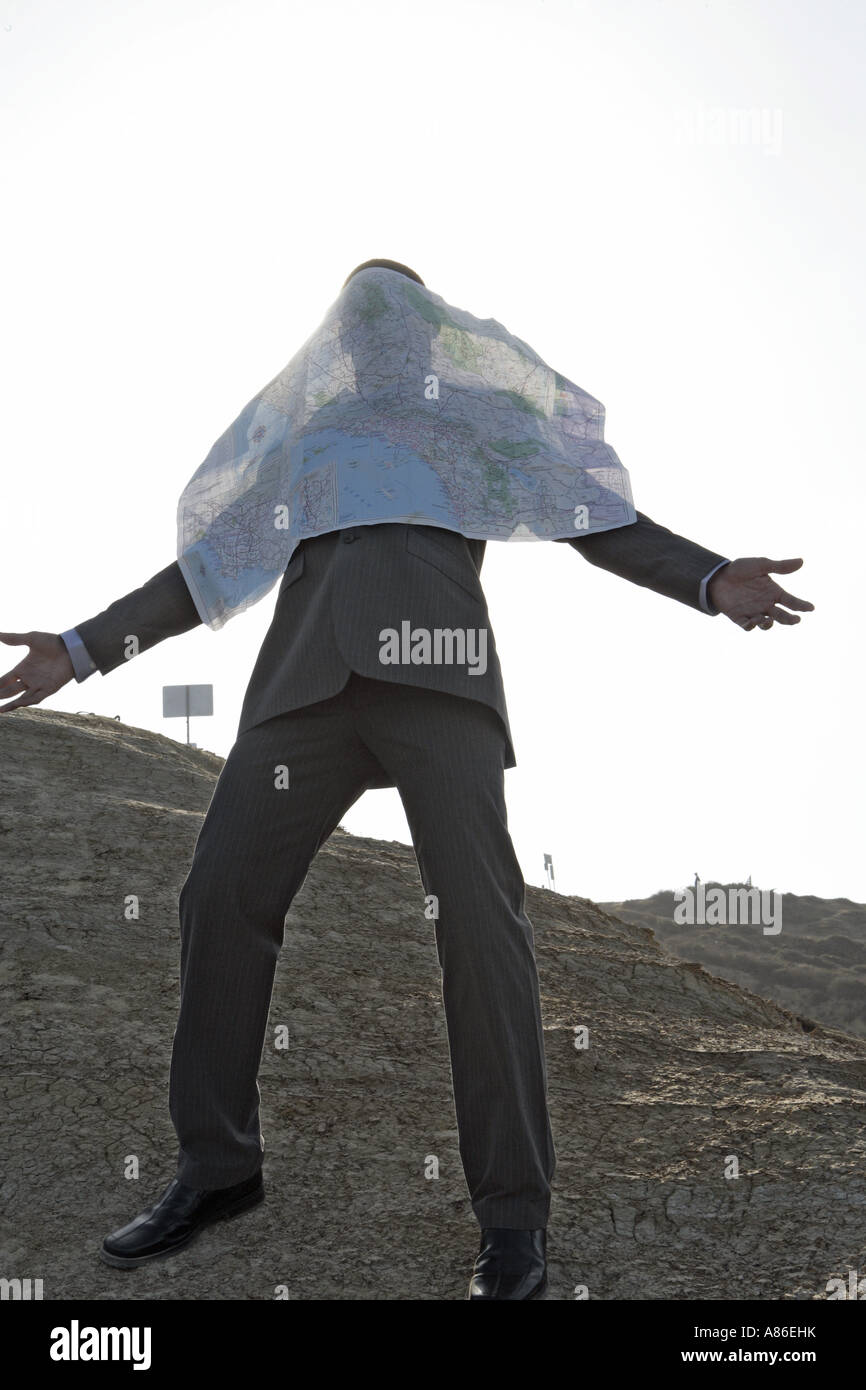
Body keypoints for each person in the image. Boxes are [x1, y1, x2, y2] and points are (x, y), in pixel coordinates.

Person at [0, 258, 814, 1300]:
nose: (376, 323)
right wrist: (77, 648)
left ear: (430, 334)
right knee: (218, 894)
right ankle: (217, 1164)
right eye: (358, 311)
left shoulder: (470, 426)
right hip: (301, 692)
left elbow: (591, 518)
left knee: (480, 924)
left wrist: (708, 578)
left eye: (397, 309)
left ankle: (512, 1221)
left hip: (438, 680)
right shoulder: (306, 441)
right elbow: (206, 567)